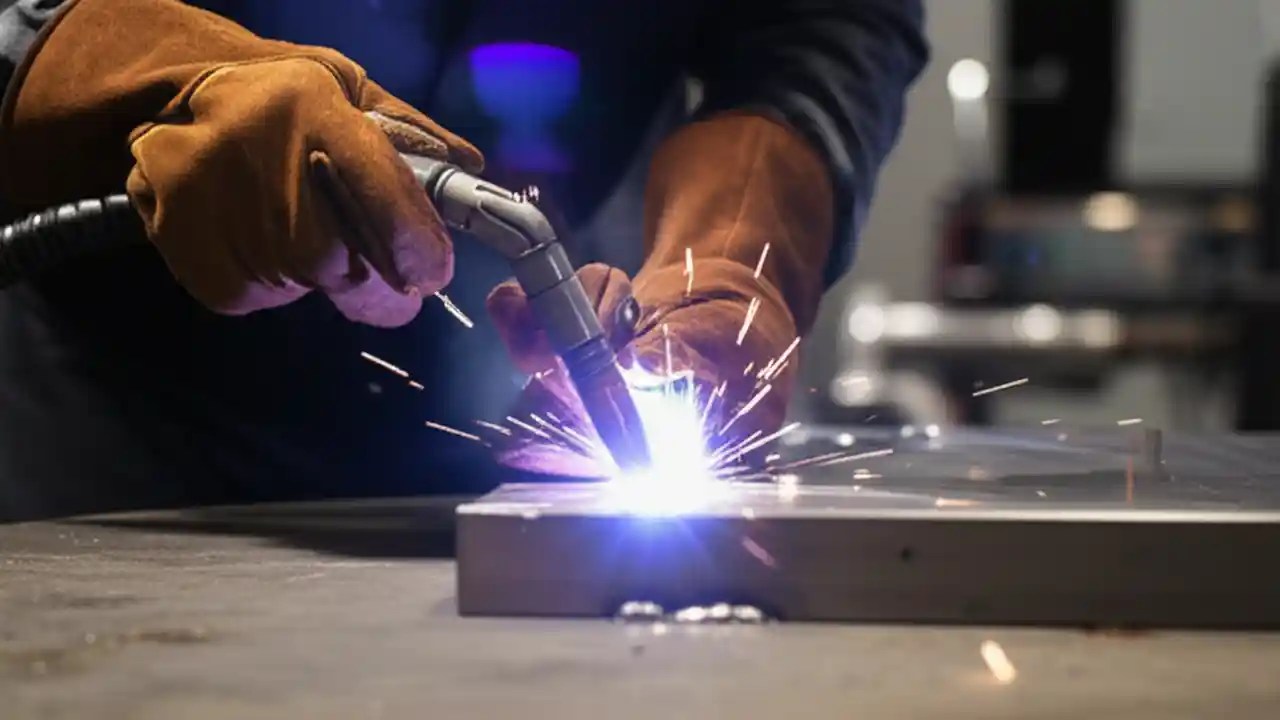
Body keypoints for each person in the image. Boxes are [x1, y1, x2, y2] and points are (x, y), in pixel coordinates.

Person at [0, 0, 926, 521]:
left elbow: (827, 24)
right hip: (111, 443)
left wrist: (732, 262)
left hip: (515, 448)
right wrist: (130, 74)